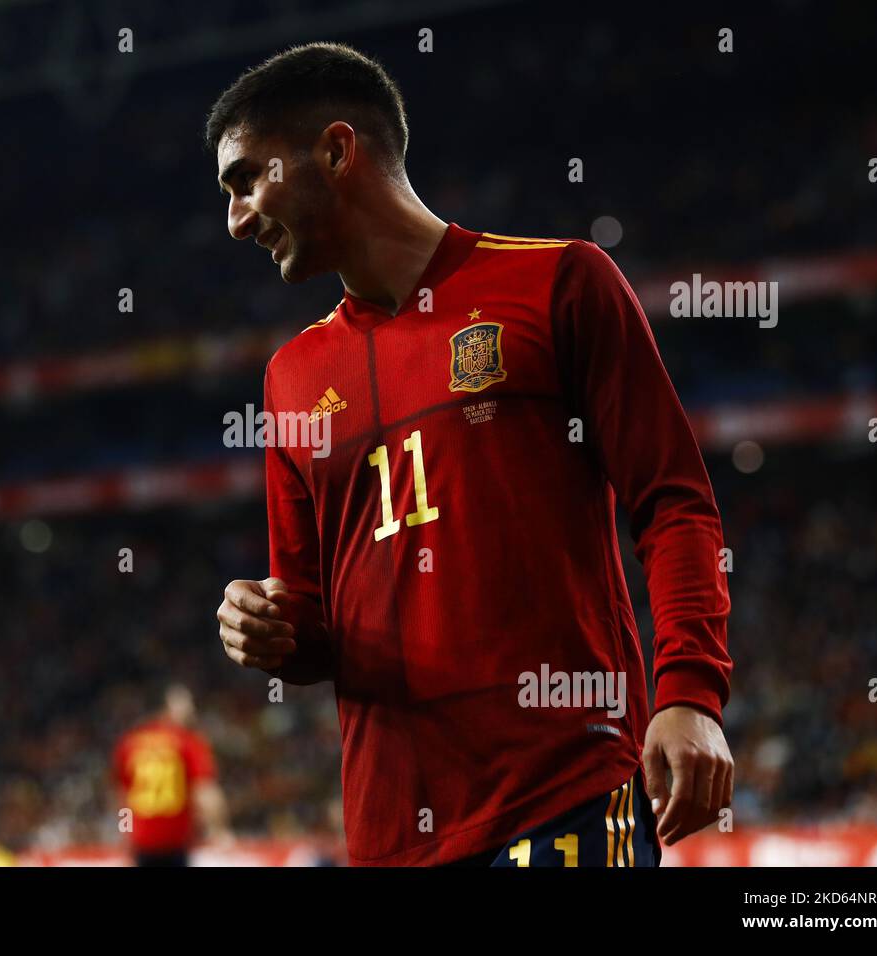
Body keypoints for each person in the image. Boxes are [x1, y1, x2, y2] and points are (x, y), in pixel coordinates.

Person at [208, 42, 733, 866]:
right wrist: (266, 628)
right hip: (390, 835)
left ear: (336, 151)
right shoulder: (290, 377)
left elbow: (675, 504)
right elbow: (312, 629)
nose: (236, 218)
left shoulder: (560, 284)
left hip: (567, 794)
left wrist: (692, 692)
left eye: (247, 179)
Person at [111, 685, 230, 866]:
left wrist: (126, 833)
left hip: (142, 844)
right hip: (175, 843)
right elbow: (205, 791)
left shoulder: (130, 742)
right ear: (168, 707)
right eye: (185, 704)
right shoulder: (187, 740)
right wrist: (220, 830)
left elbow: (121, 795)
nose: (191, 709)